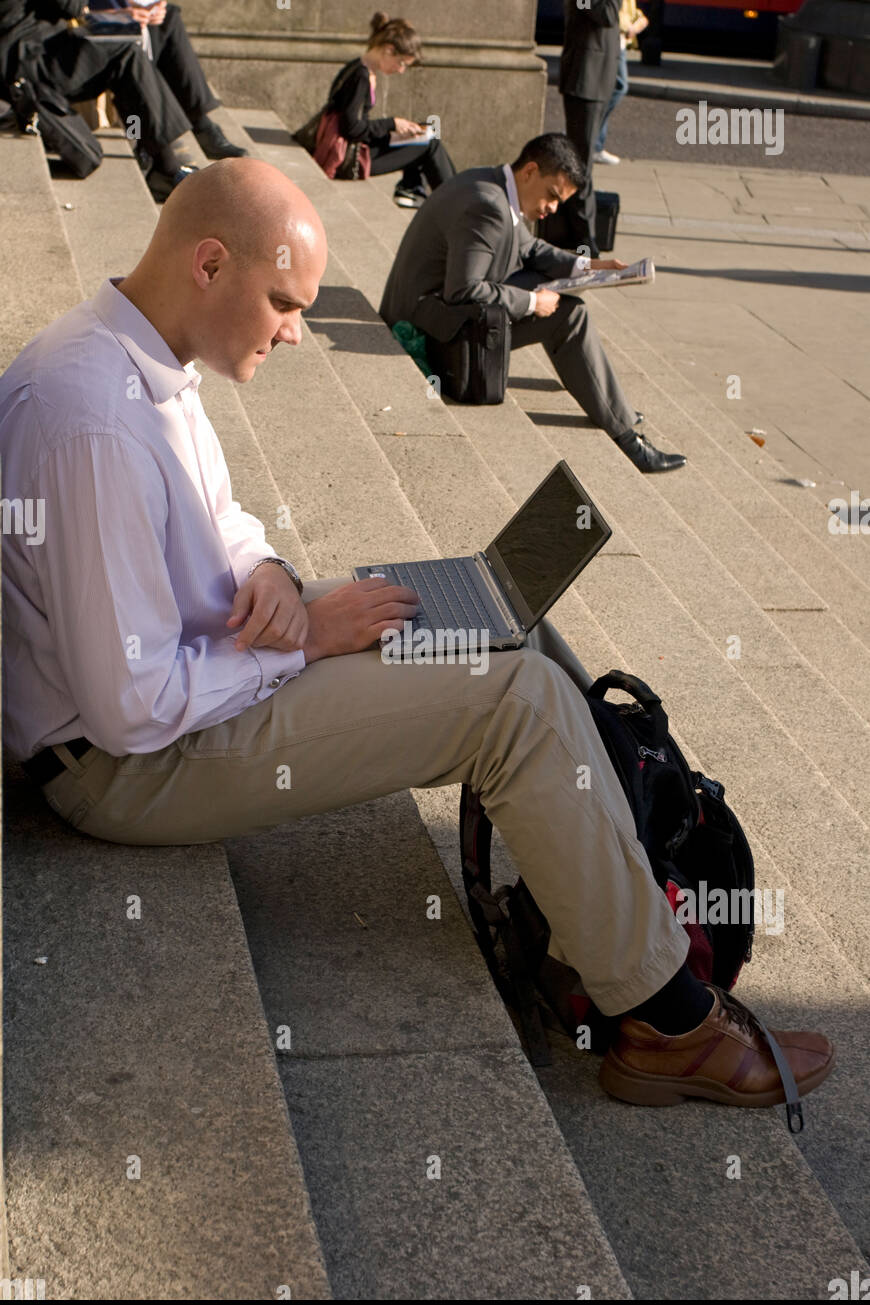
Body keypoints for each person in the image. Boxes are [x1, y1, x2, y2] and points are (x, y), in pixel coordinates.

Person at [0, 158, 833, 1119]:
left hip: (186, 687)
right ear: (210, 262)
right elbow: (129, 706)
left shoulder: (140, 358)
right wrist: (304, 635)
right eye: (282, 301)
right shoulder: (96, 423)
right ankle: (667, 1023)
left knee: (501, 633)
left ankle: (616, 910)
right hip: (124, 768)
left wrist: (273, 575)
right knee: (509, 703)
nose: (295, 330)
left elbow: (221, 519)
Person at [379, 132, 687, 474]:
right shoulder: (489, 207)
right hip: (427, 331)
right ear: (529, 171)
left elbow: (530, 249)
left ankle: (608, 403)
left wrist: (589, 267)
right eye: (552, 195)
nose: (552, 208)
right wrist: (531, 302)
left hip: (429, 308)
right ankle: (627, 437)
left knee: (562, 300)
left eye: (560, 202)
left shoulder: (492, 182)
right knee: (569, 315)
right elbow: (463, 291)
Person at [0, 0, 213, 200]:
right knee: (126, 53)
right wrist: (119, 13)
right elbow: (71, 5)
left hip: (41, 45)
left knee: (129, 53)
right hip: (26, 58)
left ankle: (154, 149)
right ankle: (161, 160)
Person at [84, 1, 248, 173]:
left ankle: (200, 123)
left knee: (168, 16)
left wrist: (154, 6)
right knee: (130, 59)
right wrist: (117, 14)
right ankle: (143, 141)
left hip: (118, 14)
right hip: (83, 29)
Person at [322, 9, 454, 208]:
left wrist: (395, 130)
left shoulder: (359, 68)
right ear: (388, 49)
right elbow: (352, 128)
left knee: (424, 132)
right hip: (350, 160)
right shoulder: (361, 77)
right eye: (401, 63)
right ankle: (456, 200)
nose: (401, 70)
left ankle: (413, 186)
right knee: (429, 143)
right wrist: (392, 124)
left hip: (356, 149)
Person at [557, 0, 621, 256]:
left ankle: (584, 236)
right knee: (578, 156)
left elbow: (608, 14)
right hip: (583, 74)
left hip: (589, 77)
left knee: (580, 161)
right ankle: (580, 231)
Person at [593, 0, 649, 166]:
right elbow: (603, 11)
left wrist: (640, 20)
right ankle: (589, 137)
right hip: (610, 40)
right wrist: (629, 26)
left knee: (614, 88)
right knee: (617, 87)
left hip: (619, 42)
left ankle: (592, 139)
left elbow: (627, 10)